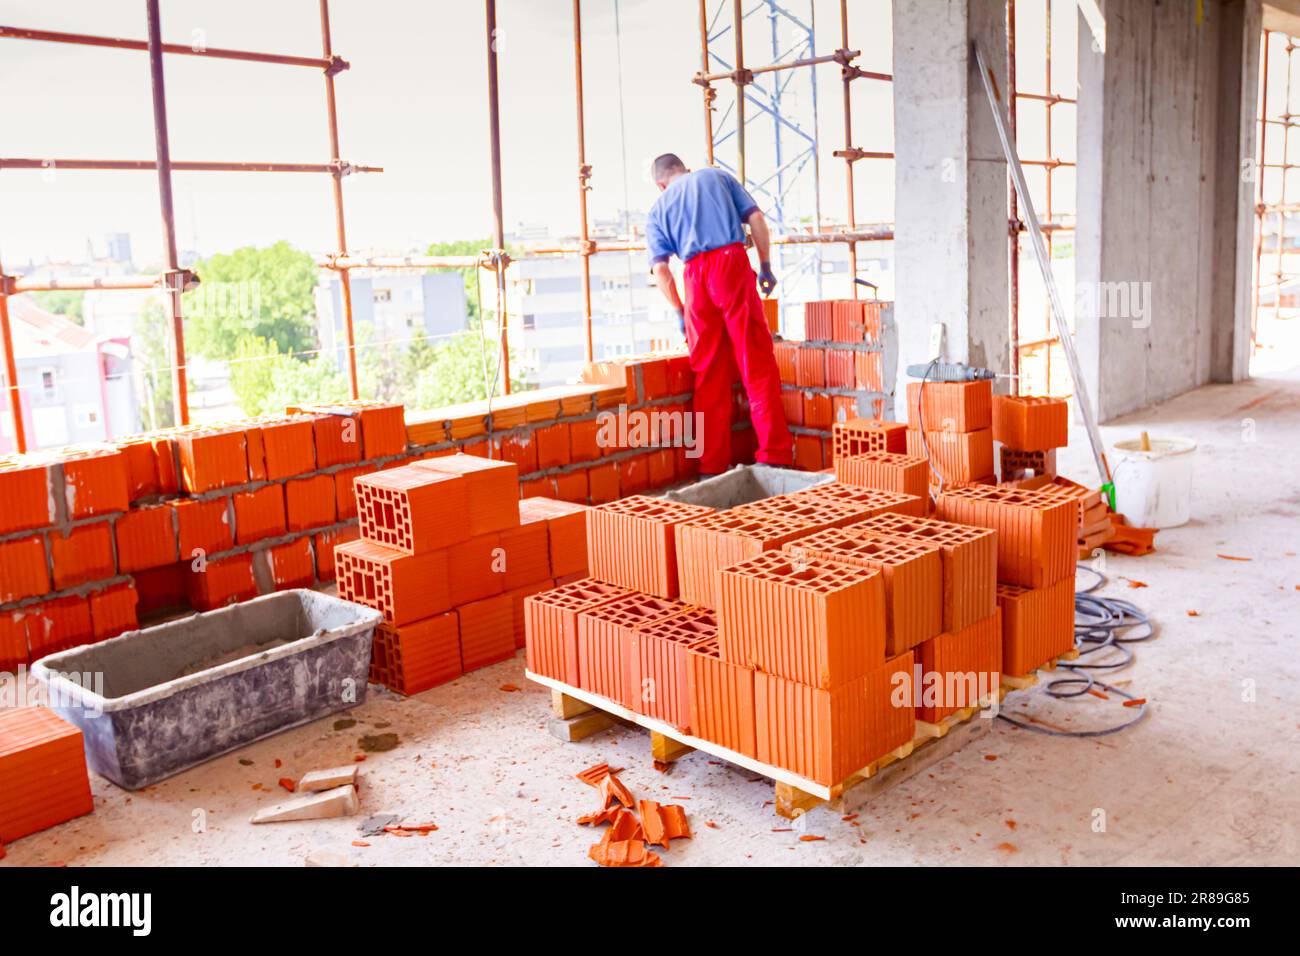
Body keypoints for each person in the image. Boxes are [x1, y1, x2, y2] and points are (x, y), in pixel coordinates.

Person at [645, 153, 793, 474]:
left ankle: (711, 465)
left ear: (660, 183)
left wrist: (680, 311)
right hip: (730, 263)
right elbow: (755, 220)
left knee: (708, 373)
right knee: (754, 358)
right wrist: (765, 266)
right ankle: (774, 454)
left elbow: (660, 270)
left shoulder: (658, 209)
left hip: (694, 277)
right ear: (686, 169)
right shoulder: (716, 177)